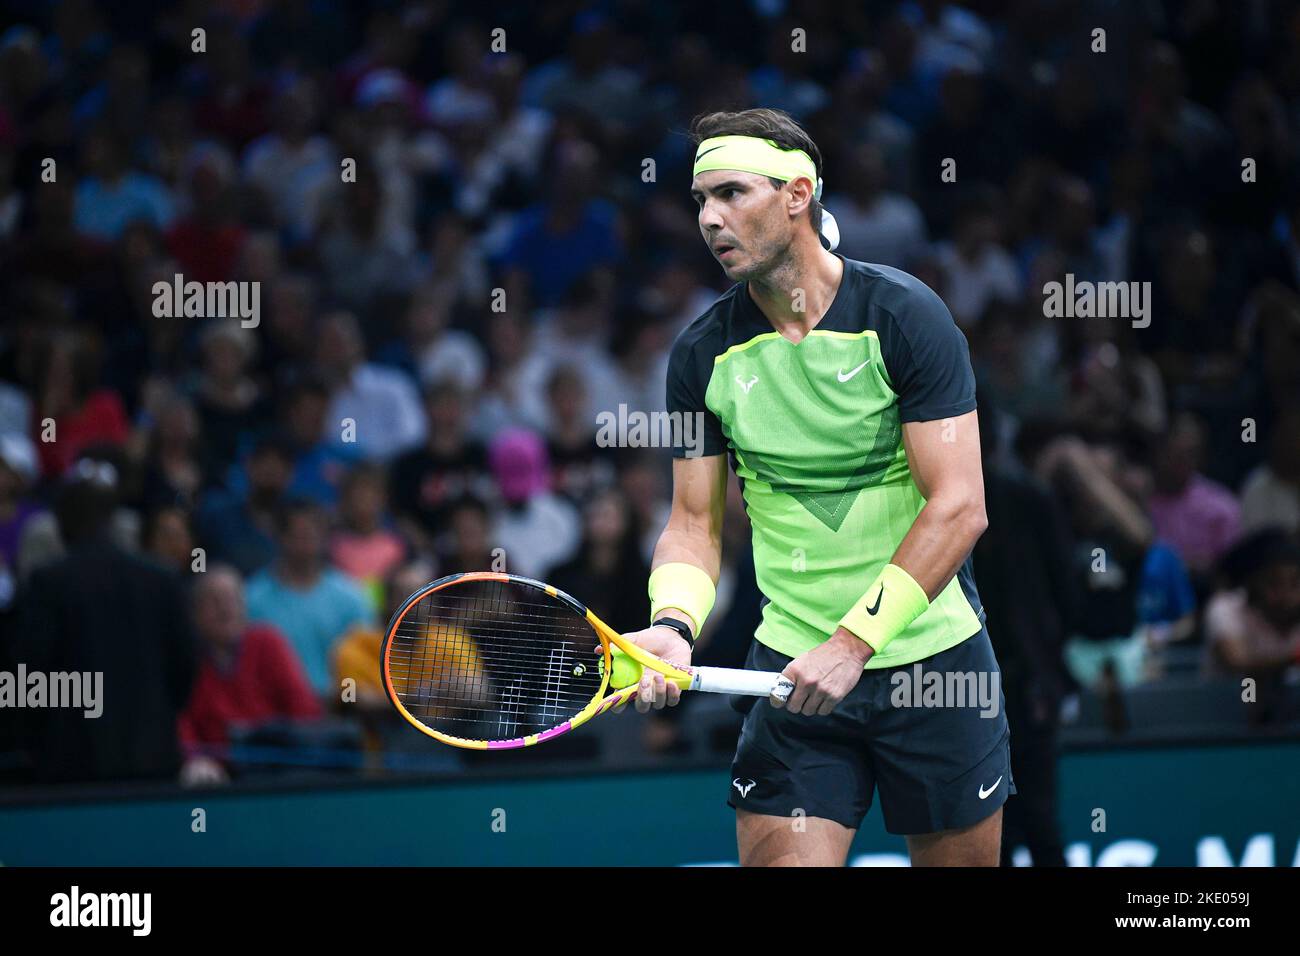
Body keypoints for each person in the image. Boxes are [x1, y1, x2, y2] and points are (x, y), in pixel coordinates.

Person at [623, 109, 1009, 866]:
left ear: (798, 195)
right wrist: (673, 623)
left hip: (934, 670)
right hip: (791, 679)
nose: (709, 218)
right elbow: (695, 525)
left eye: (732, 193)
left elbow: (960, 506)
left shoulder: (904, 317)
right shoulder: (702, 354)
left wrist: (852, 643)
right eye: (700, 199)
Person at [11, 458, 196, 782]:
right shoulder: (162, 579)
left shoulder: (49, 583)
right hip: (153, 761)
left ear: (62, 523)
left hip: (71, 767)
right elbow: (185, 668)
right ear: (112, 520)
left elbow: (30, 680)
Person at [178, 565, 322, 786]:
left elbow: (304, 711)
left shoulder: (268, 642)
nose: (225, 609)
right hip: (215, 778)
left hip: (278, 772)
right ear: (195, 614)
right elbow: (181, 721)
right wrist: (195, 759)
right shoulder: (186, 657)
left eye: (232, 599)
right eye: (213, 601)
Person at [244, 499, 373, 698]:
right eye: (297, 535)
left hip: (340, 716)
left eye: (312, 534)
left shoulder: (352, 597)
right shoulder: (251, 599)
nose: (305, 543)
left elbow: (366, 667)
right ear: (279, 537)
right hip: (274, 714)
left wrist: (347, 696)